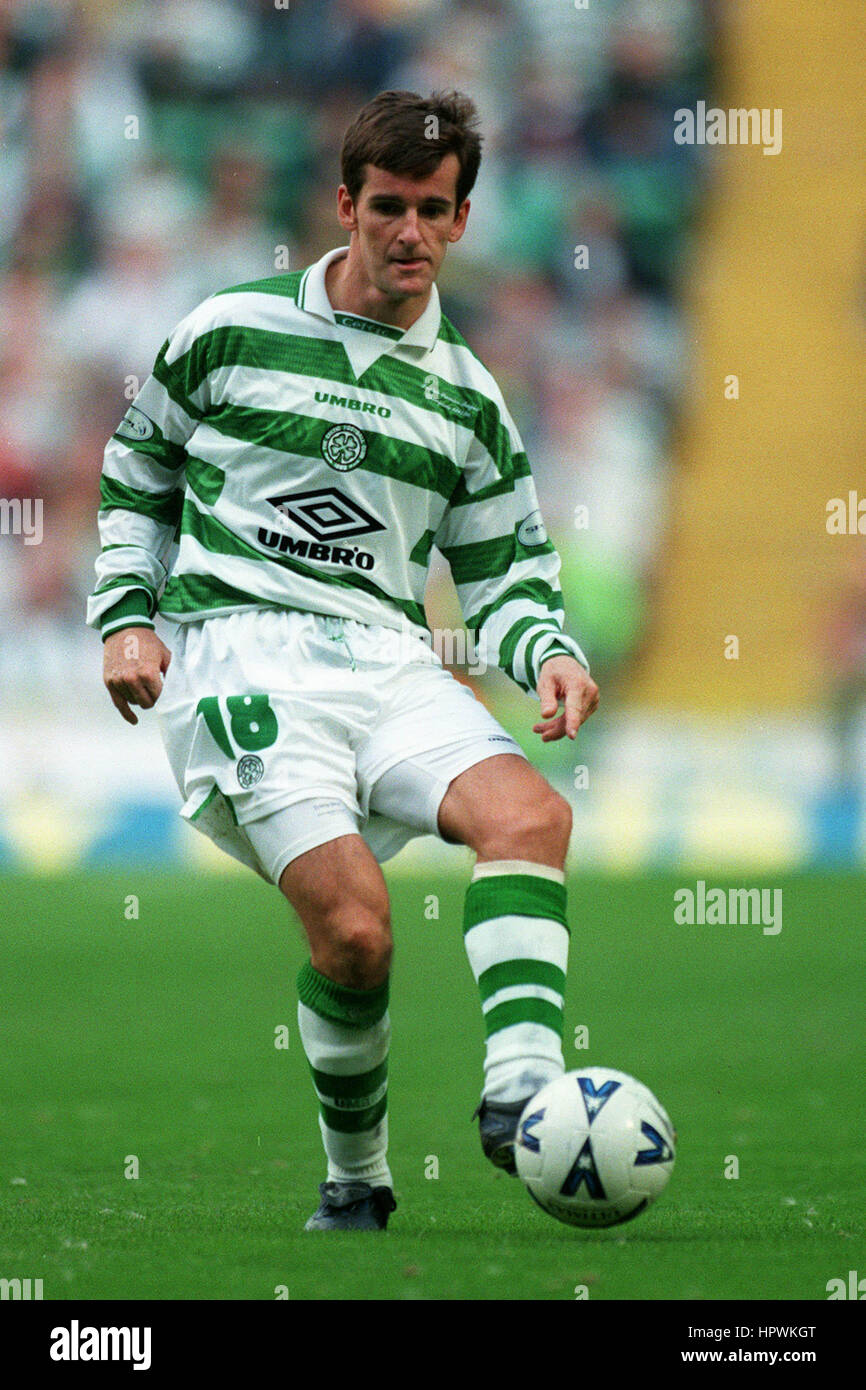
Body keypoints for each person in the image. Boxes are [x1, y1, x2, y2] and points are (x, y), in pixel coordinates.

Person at [88, 90, 599, 1231]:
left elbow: (503, 568)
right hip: (239, 653)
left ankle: (520, 1092)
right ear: (344, 206)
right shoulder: (226, 325)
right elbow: (138, 471)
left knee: (531, 818)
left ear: (462, 219)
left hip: (383, 654)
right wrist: (126, 614)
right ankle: (357, 1177)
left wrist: (547, 652)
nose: (408, 231)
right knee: (358, 932)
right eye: (387, 207)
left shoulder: (468, 399)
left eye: (433, 209)